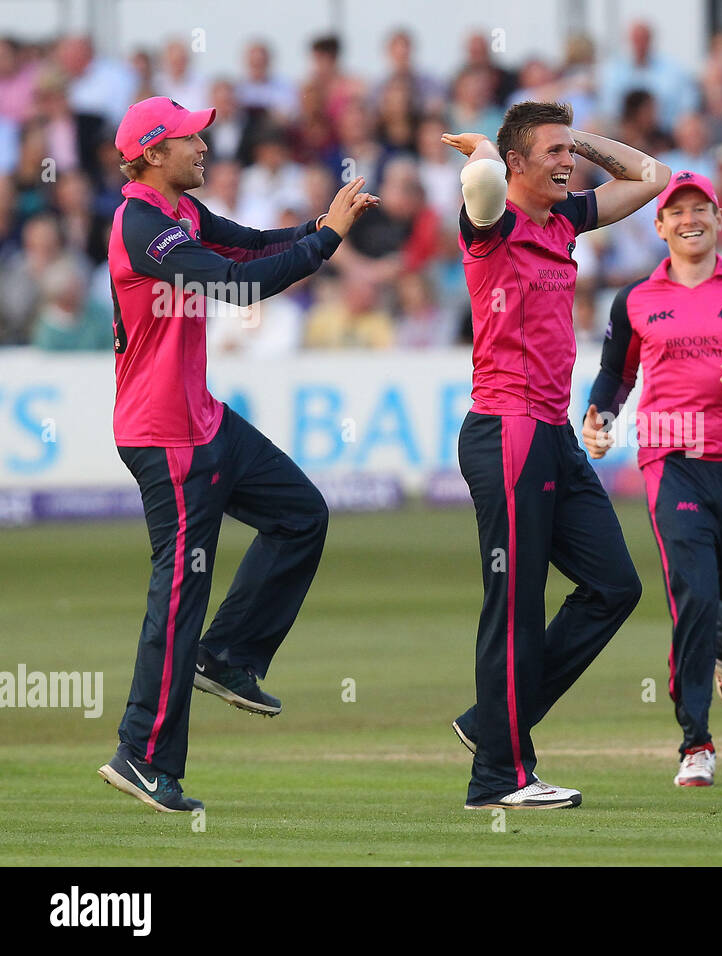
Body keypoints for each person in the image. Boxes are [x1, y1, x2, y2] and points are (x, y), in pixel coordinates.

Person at [96, 96, 378, 812]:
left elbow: (249, 241)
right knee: (179, 596)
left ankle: (228, 657)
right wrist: (327, 243)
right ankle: (141, 755)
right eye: (193, 136)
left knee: (301, 515)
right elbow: (239, 284)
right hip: (167, 439)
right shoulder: (141, 225)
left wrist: (319, 223)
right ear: (154, 153)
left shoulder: (181, 213)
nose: (205, 145)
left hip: (204, 421)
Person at [442, 101, 668, 810]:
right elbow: (480, 187)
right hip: (506, 432)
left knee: (614, 586)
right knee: (514, 606)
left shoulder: (563, 218)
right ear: (516, 164)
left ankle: (492, 725)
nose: (567, 163)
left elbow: (653, 176)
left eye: (569, 152)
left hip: (552, 433)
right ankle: (499, 778)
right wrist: (484, 149)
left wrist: (580, 143)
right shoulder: (496, 222)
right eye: (553, 153)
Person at [585, 170, 722, 788]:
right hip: (671, 463)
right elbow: (614, 374)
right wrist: (599, 417)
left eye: (702, 209)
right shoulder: (636, 299)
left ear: (720, 220)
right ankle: (695, 742)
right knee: (693, 593)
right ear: (660, 225)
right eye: (678, 211)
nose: (689, 219)